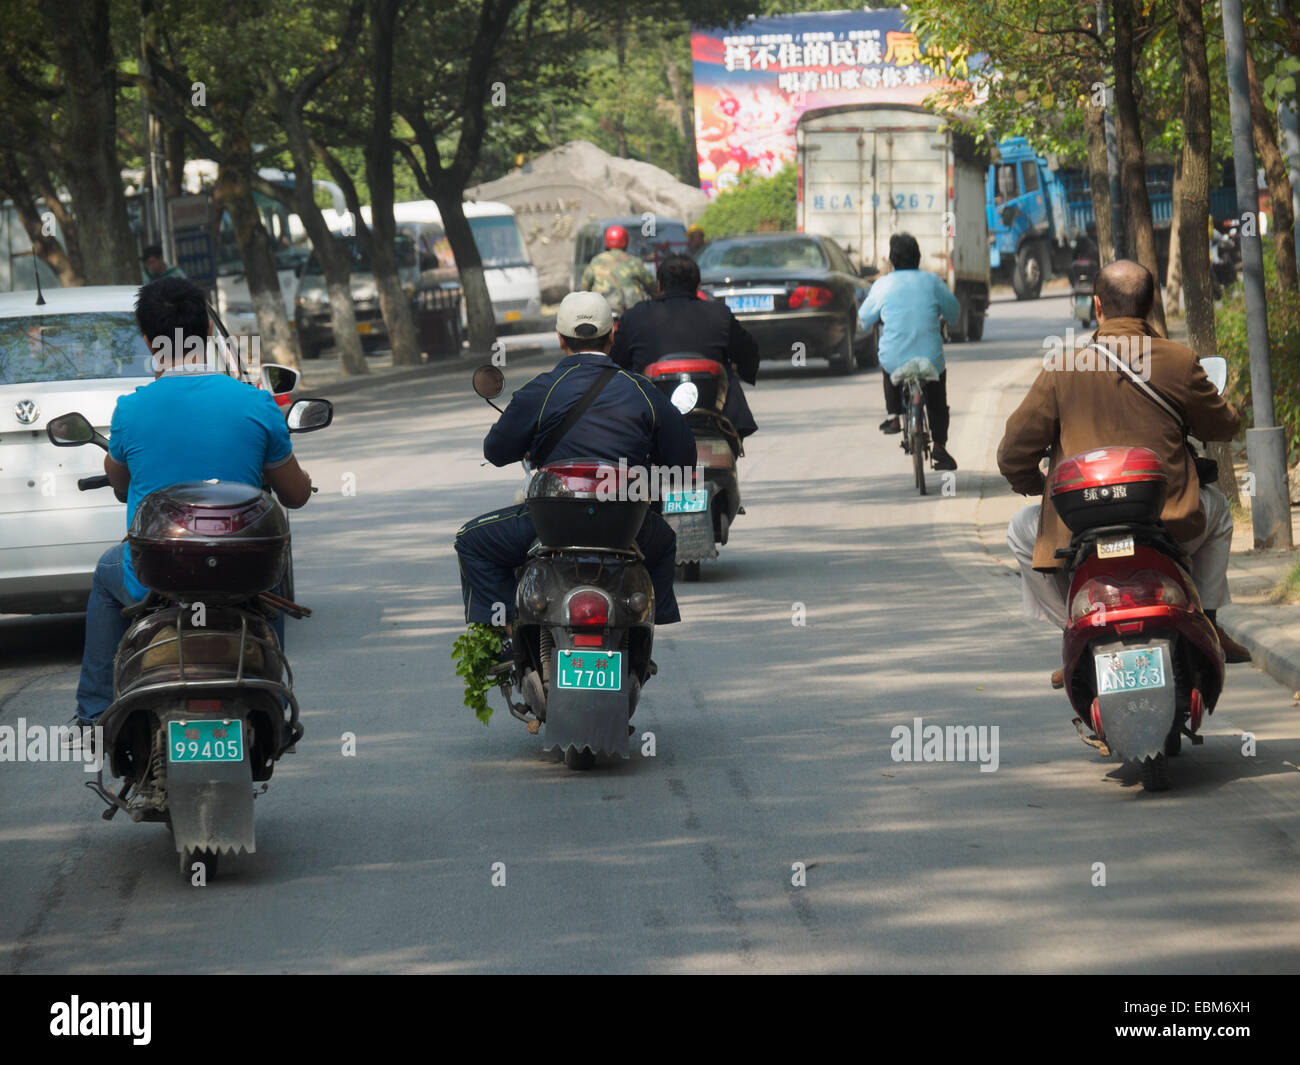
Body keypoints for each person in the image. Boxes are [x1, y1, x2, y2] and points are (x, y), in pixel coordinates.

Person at [67, 277, 315, 739]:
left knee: (105, 573)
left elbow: (121, 486)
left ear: (148, 340)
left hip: (156, 581)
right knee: (274, 564)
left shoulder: (131, 411)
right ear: (205, 327)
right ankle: (274, 700)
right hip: (243, 580)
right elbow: (296, 495)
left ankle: (93, 714)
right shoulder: (256, 403)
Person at [998, 258, 1249, 686]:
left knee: (1020, 532)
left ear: (1097, 307)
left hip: (1077, 531)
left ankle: (1075, 629)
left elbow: (1012, 453)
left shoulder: (1063, 368)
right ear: (1151, 306)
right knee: (1220, 510)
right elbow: (1222, 427)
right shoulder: (1179, 360)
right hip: (1170, 522)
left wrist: (1038, 489)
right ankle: (1206, 620)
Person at [454, 291, 695, 646]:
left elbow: (497, 450)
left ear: (560, 339)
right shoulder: (642, 391)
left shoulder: (541, 390)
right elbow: (682, 463)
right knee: (664, 541)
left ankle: (508, 633)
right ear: (613, 335)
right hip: (626, 527)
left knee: (471, 542)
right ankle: (642, 632)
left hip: (552, 524)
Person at [610, 252, 759, 440]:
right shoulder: (719, 314)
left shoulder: (635, 316)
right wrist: (744, 370)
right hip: (719, 420)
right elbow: (748, 352)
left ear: (659, 286)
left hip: (649, 419)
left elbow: (615, 363)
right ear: (698, 286)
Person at [857, 232, 960, 471]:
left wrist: (877, 319)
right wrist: (942, 317)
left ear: (892, 260)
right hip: (930, 359)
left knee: (888, 363)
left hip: (895, 358)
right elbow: (953, 312)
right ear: (918, 257)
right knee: (937, 395)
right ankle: (940, 447)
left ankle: (894, 416)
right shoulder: (933, 281)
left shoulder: (883, 284)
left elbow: (864, 319)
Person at [580, 224, 655, 317]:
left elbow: (585, 285)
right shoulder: (633, 261)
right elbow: (651, 284)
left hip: (602, 311)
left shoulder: (596, 261)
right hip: (630, 312)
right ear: (626, 241)